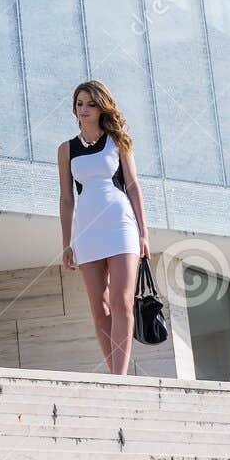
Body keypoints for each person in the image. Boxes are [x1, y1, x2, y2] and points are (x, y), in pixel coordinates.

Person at [57, 81, 149, 376]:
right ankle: (114, 375)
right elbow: (66, 198)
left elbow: (133, 186)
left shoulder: (118, 140)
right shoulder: (65, 149)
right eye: (80, 103)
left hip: (120, 225)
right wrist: (66, 243)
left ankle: (121, 378)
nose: (84, 109)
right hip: (86, 231)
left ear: (101, 107)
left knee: (122, 301)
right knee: (100, 307)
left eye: (90, 104)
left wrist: (144, 233)